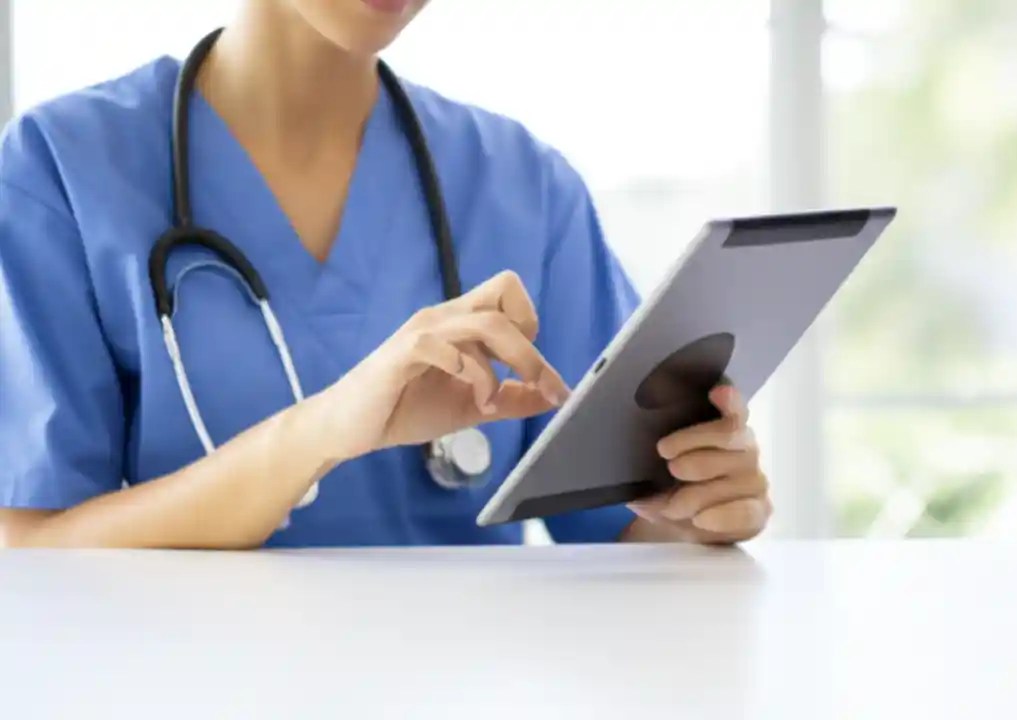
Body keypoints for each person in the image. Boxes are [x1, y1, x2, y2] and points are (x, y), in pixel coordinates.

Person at [0, 0, 771, 549]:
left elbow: (618, 531)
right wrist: (321, 432)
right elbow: (28, 549)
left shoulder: (522, 184)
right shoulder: (60, 168)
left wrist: (689, 513)